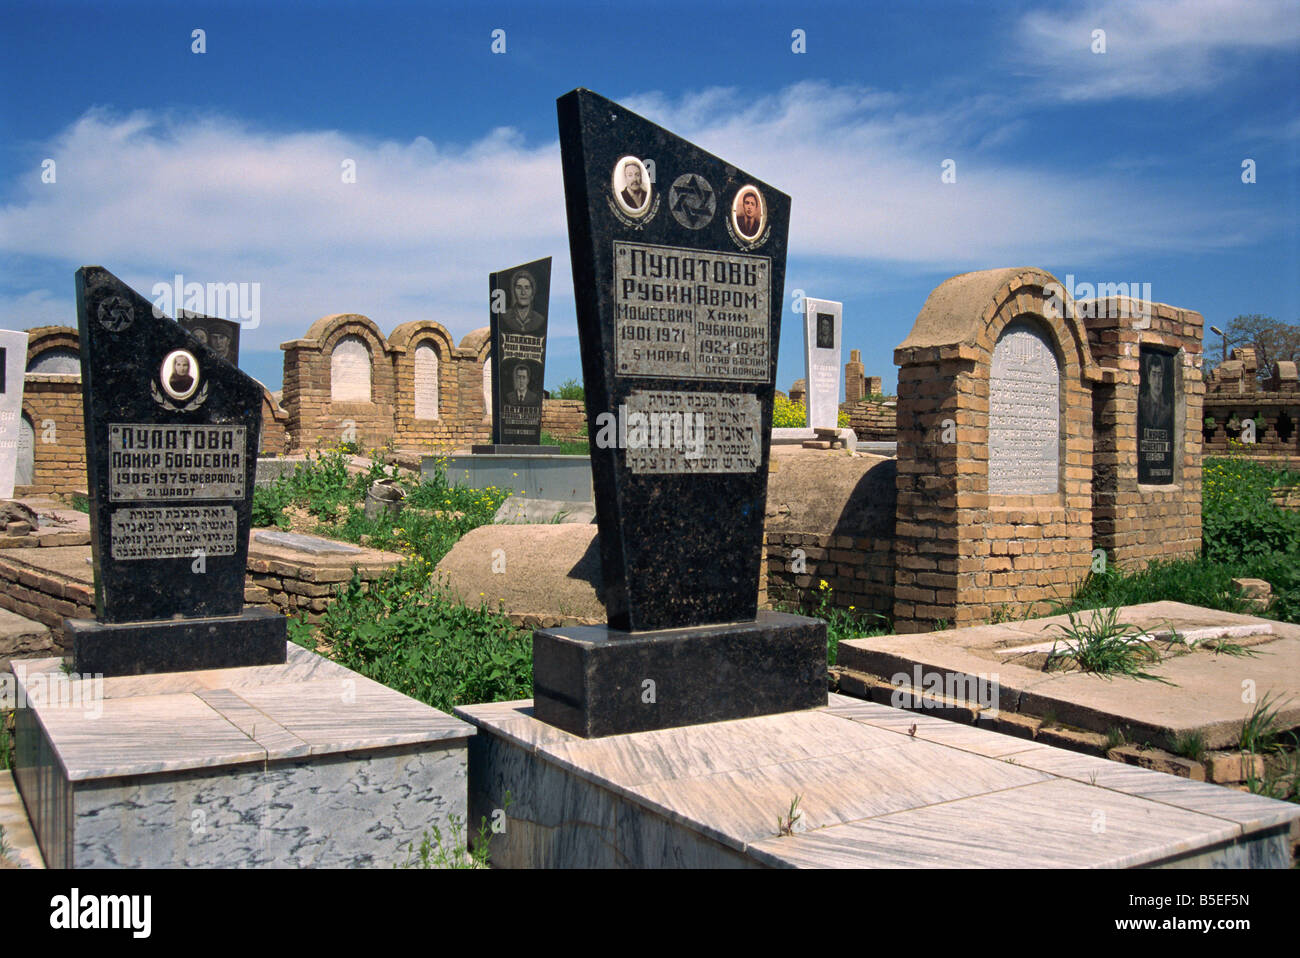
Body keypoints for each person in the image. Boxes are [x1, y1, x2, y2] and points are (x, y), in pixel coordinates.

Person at [1139, 353, 1171, 426]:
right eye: (1154, 375)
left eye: (1160, 376)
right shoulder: (1141, 402)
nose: (1157, 381)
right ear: (1148, 378)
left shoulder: (1167, 407)